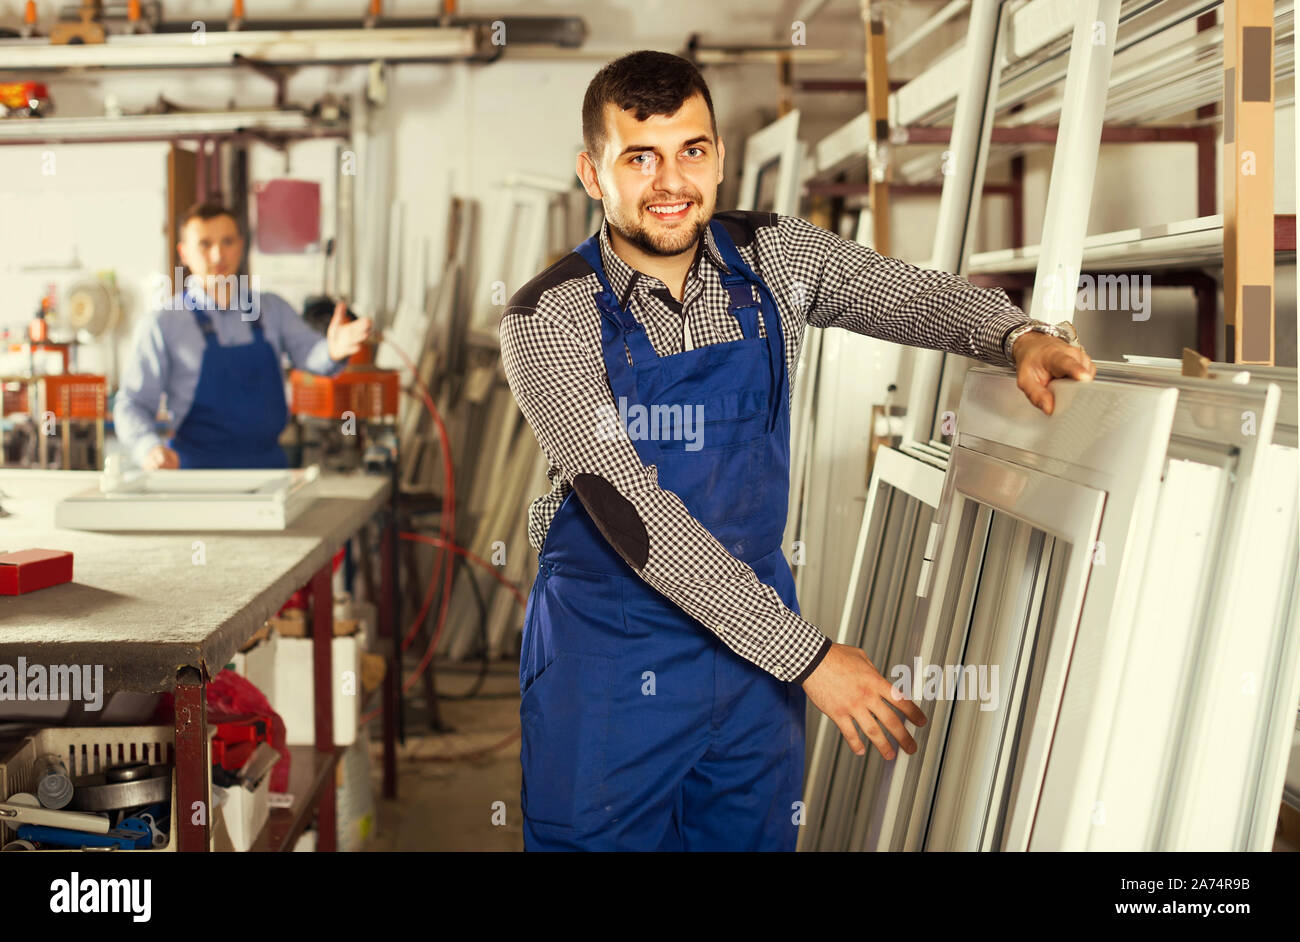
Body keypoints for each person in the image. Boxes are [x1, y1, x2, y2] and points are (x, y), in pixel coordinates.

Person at [500, 50, 1096, 852]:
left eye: (692, 151)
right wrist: (809, 657)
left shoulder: (773, 257)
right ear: (592, 172)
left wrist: (1015, 334)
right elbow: (635, 516)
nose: (671, 181)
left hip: (749, 665)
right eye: (639, 157)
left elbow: (905, 293)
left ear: (719, 158)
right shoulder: (549, 320)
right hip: (611, 657)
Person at [114, 201, 372, 470]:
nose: (217, 255)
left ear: (241, 245)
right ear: (184, 253)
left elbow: (311, 353)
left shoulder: (272, 309)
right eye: (204, 244)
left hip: (268, 469)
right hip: (192, 474)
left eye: (227, 241)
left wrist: (333, 349)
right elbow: (132, 403)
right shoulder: (163, 323)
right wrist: (148, 447)